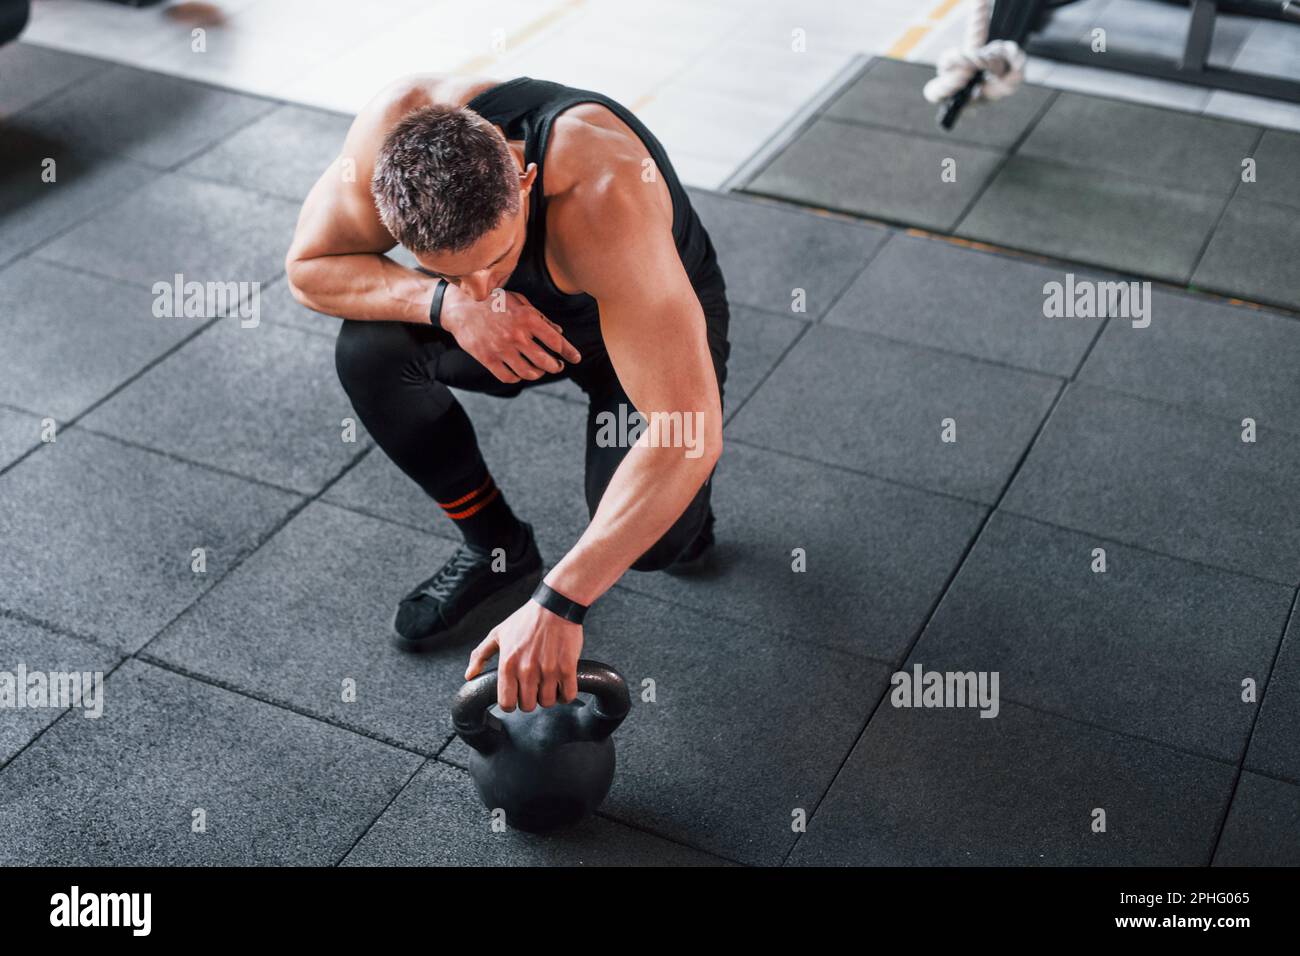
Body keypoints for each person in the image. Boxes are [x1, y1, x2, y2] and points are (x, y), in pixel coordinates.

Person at [285, 73, 729, 714]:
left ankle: (686, 522)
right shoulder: (390, 135)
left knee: (658, 541)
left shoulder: (604, 191)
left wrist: (560, 602)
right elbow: (307, 268)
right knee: (368, 350)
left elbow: (690, 430)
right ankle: (497, 550)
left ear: (522, 184)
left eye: (496, 259)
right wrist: (445, 304)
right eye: (450, 269)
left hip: (638, 321)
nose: (479, 283)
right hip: (512, 328)